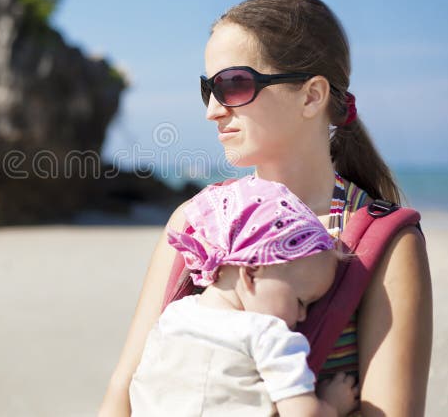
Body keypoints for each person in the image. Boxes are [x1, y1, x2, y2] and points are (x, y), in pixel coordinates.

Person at [99, 0, 432, 416]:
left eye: (233, 85)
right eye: (209, 88)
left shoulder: (382, 244)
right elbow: (122, 392)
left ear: (311, 96)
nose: (212, 111)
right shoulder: (194, 221)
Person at [129, 176, 358, 416]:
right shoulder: (268, 335)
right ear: (251, 273)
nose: (302, 316)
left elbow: (142, 387)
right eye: (301, 301)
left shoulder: (173, 316)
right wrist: (333, 405)